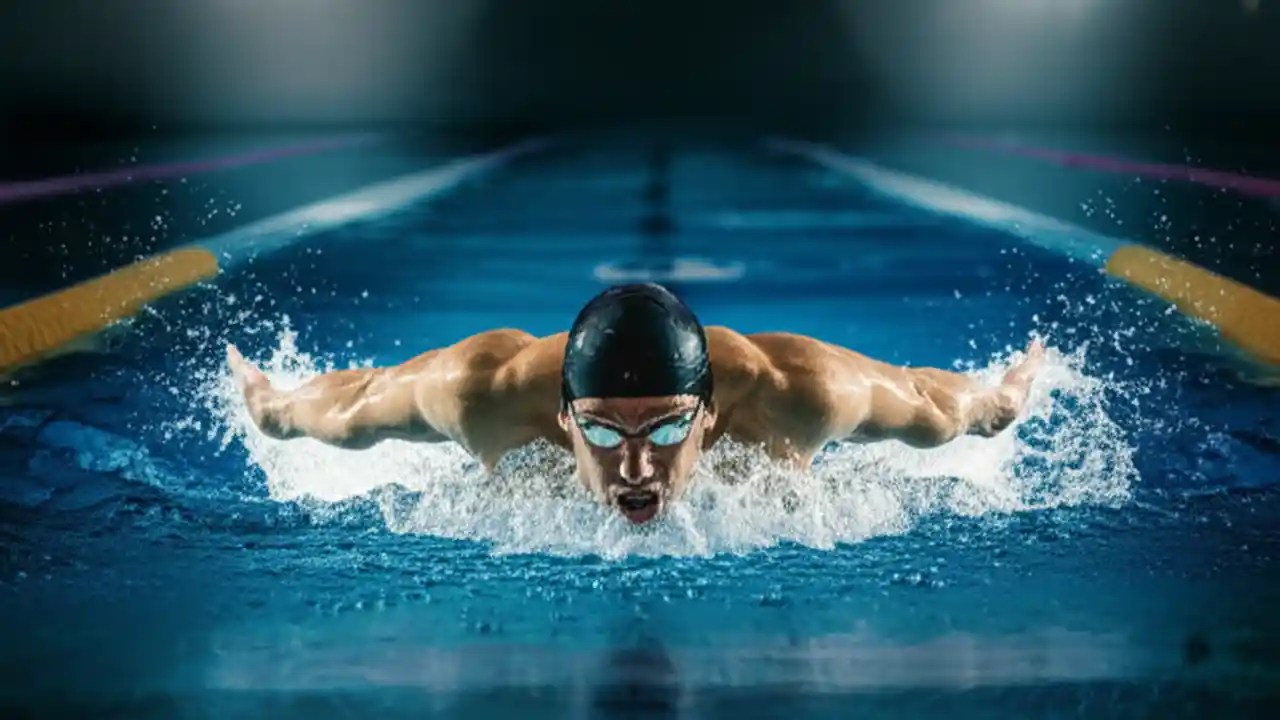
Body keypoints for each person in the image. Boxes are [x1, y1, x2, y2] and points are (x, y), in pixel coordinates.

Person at [228, 283, 1043, 524]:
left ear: (712, 415)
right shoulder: (481, 392)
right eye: (603, 432)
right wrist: (274, 408)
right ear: (560, 418)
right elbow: (355, 404)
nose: (637, 465)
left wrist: (999, 400)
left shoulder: (800, 392)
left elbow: (937, 406)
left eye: (666, 426)